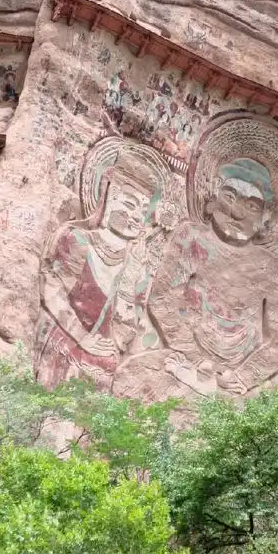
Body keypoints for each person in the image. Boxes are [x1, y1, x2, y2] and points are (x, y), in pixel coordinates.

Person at [140, 156, 278, 396]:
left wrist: (243, 377)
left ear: (265, 219)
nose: (237, 213)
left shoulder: (270, 267)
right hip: (185, 355)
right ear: (212, 201)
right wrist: (195, 359)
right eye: (230, 197)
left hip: (237, 374)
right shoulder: (191, 237)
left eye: (252, 207)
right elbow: (162, 300)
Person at [34, 144, 171, 389]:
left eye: (142, 211)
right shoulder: (77, 239)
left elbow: (128, 326)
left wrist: (132, 270)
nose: (134, 216)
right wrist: (82, 336)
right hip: (65, 345)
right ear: (108, 197)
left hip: (103, 363)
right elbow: (51, 290)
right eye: (128, 204)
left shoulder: (136, 265)